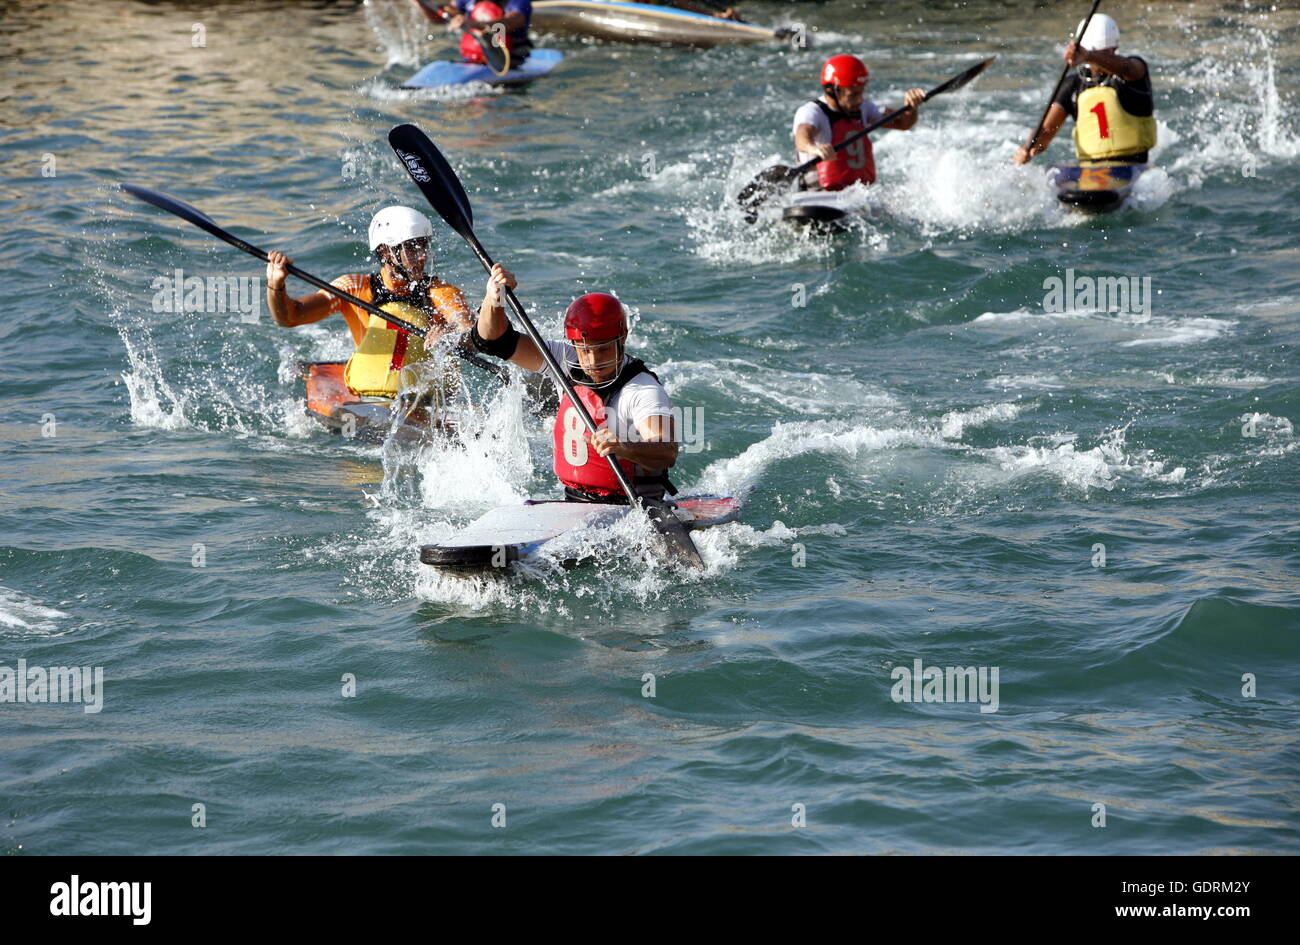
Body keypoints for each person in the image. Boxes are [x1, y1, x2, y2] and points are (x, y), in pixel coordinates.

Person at [470, 265, 680, 503]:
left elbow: (666, 450)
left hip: (633, 506)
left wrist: (624, 446)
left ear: (623, 338)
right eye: (585, 351)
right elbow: (494, 341)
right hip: (574, 501)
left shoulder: (642, 390)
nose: (592, 361)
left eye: (602, 350)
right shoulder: (566, 360)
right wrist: (494, 299)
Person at [265, 206, 476, 400]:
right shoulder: (354, 288)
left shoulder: (440, 292)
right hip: (374, 389)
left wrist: (449, 333)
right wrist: (276, 285)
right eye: (411, 249)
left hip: (427, 395)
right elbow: (289, 317)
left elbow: (468, 330)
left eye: (424, 247)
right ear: (385, 251)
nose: (422, 257)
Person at [1013, 14, 1156, 165]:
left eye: (1108, 53)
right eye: (1099, 52)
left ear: (1115, 48)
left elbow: (1128, 68)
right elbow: (1047, 130)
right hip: (1089, 171)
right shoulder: (1073, 85)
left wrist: (1090, 56)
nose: (1102, 59)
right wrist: (1029, 147)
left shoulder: (1133, 73)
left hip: (1134, 167)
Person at [792, 55, 926, 191]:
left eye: (861, 92)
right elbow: (802, 137)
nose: (859, 100)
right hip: (817, 194)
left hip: (857, 195)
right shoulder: (811, 112)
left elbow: (903, 123)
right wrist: (814, 149)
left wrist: (911, 107)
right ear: (831, 90)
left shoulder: (864, 107)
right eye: (853, 94)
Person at [443, 0, 532, 65]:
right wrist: (428, 8)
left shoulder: (519, 2)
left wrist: (475, 24)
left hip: (510, 62)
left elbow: (510, 23)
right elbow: (444, 14)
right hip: (472, 59)